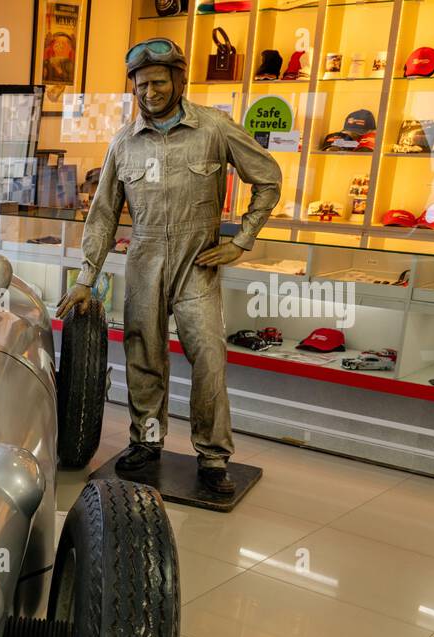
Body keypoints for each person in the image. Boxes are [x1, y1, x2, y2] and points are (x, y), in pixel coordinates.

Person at [57, 38, 281, 496]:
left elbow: (268, 178)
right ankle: (147, 442)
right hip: (144, 259)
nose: (150, 92)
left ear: (180, 80)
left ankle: (213, 456)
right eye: (141, 85)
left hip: (197, 262)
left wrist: (242, 240)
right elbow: (103, 214)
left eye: (159, 82)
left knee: (209, 358)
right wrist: (86, 279)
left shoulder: (214, 128)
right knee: (144, 357)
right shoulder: (124, 143)